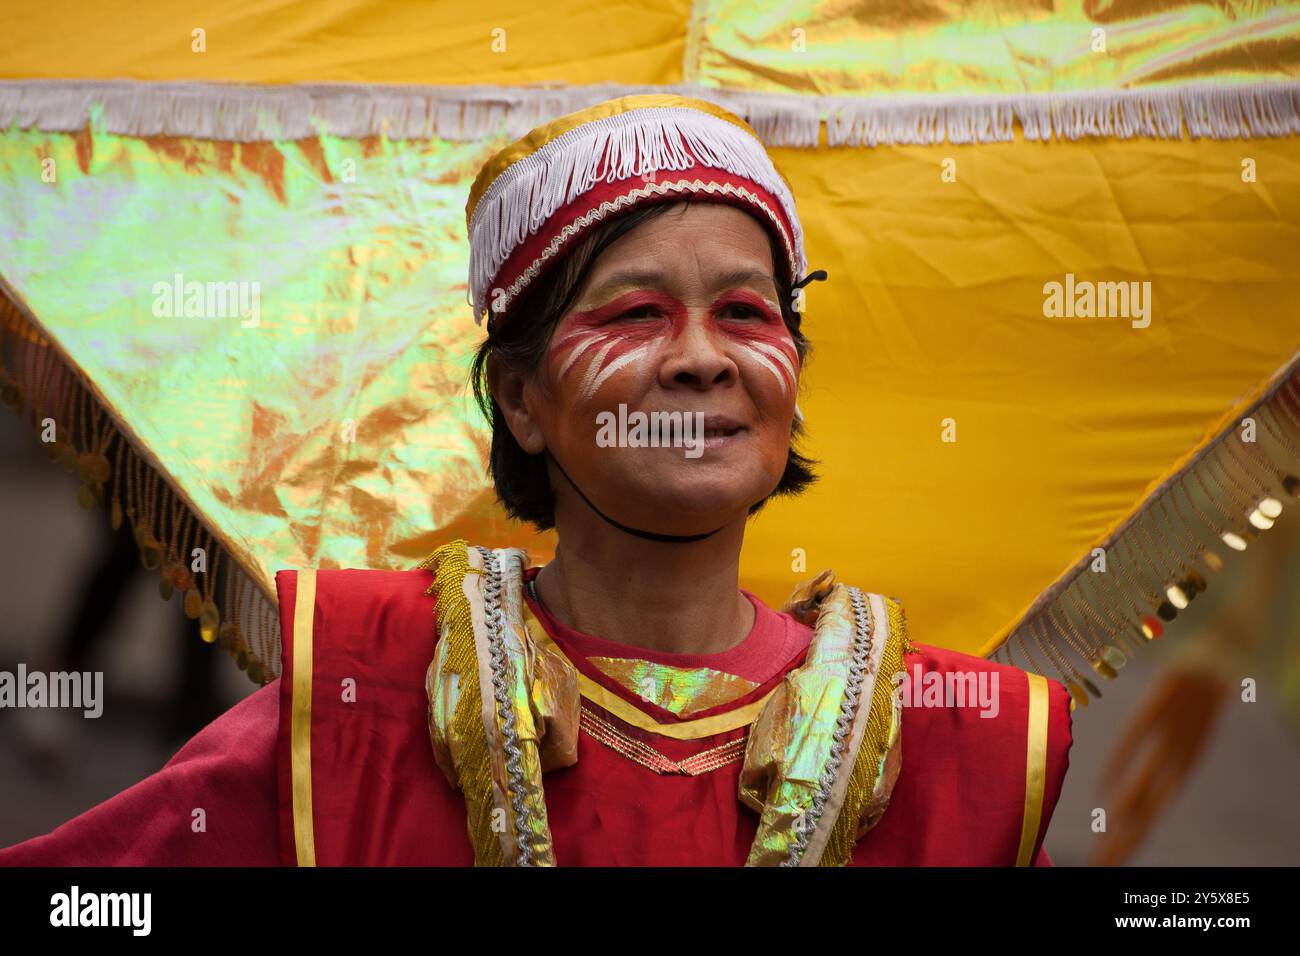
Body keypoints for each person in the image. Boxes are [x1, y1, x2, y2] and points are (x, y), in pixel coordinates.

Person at [0, 93, 1071, 867]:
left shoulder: (955, 745)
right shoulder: (366, 695)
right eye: (635, 312)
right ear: (519, 398)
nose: (703, 356)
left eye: (747, 312)